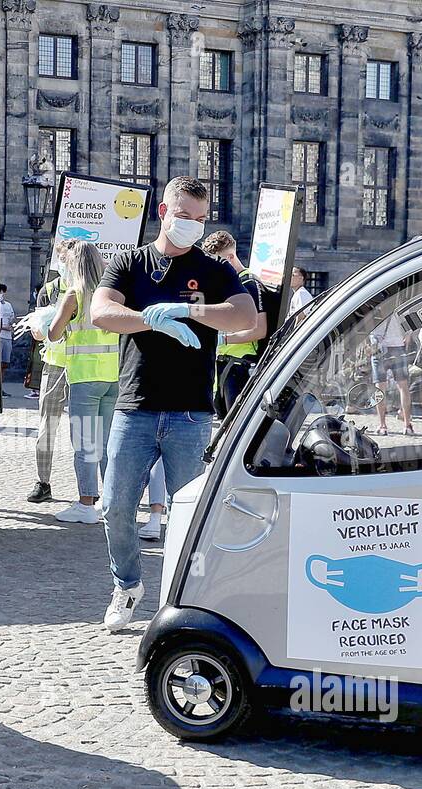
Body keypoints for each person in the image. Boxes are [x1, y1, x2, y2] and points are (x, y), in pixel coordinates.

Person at [91, 176, 257, 630]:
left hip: (190, 410)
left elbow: (246, 315)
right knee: (116, 506)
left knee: (189, 514)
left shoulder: (213, 270)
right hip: (134, 404)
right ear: (164, 212)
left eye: (201, 220)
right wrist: (150, 320)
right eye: (185, 217)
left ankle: (182, 594)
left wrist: (188, 312)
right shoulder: (131, 262)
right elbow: (101, 311)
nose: (193, 227)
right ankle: (127, 585)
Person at [45, 240, 117, 524]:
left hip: (85, 379)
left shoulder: (74, 295)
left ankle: (86, 503)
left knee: (86, 443)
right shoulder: (111, 295)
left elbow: (52, 334)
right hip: (113, 376)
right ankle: (111, 500)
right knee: (107, 443)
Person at [201, 231, 270, 418]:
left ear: (230, 257)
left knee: (235, 423)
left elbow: (260, 330)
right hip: (222, 364)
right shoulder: (223, 283)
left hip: (240, 365)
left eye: (218, 262)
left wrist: (222, 338)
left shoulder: (249, 283)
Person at [26, 253, 70, 503]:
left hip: (86, 367)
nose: (66, 265)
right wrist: (43, 326)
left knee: (88, 428)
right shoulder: (50, 290)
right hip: (54, 365)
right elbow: (37, 333)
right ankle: (43, 482)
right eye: (63, 260)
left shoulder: (92, 286)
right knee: (47, 427)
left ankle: (91, 490)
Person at [370, 312, 416, 436]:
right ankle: (407, 425)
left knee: (380, 388)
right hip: (397, 345)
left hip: (378, 346)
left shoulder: (372, 302)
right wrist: (409, 334)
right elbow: (409, 315)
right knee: (403, 386)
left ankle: (382, 425)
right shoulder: (397, 298)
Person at [0, 283, 15, 396]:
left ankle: (0, 387)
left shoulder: (8, 305)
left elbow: (12, 317)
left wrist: (11, 324)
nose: (0, 294)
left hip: (7, 337)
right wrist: (3, 327)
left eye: (2, 291)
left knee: (4, 364)